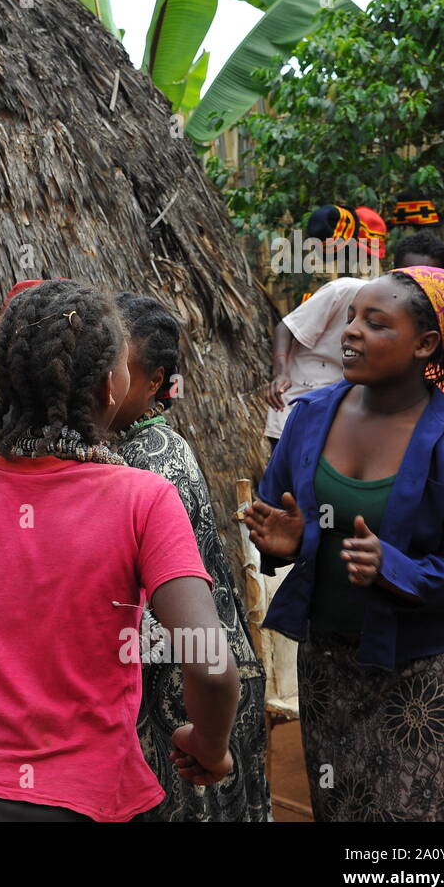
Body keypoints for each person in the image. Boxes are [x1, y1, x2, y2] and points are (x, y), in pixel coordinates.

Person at [0, 280, 239, 822]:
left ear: (5, 382)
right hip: (92, 799)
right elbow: (210, 663)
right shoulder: (143, 500)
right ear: (111, 387)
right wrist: (210, 746)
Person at [245, 267, 444, 821]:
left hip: (423, 671)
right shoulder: (309, 417)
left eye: (376, 323)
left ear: (425, 344)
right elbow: (282, 515)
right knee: (338, 809)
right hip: (328, 663)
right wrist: (286, 544)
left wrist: (395, 568)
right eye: (350, 318)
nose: (351, 332)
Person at [111, 293, 270, 822]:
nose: (101, 381)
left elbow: (161, 618)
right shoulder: (126, 449)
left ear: (154, 382)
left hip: (190, 692)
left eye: (117, 369)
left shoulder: (157, 465)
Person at [265, 232, 444, 451]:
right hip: (295, 413)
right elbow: (287, 327)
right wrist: (281, 373)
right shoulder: (344, 290)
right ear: (392, 270)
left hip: (348, 423)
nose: (351, 331)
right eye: (351, 318)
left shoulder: (428, 321)